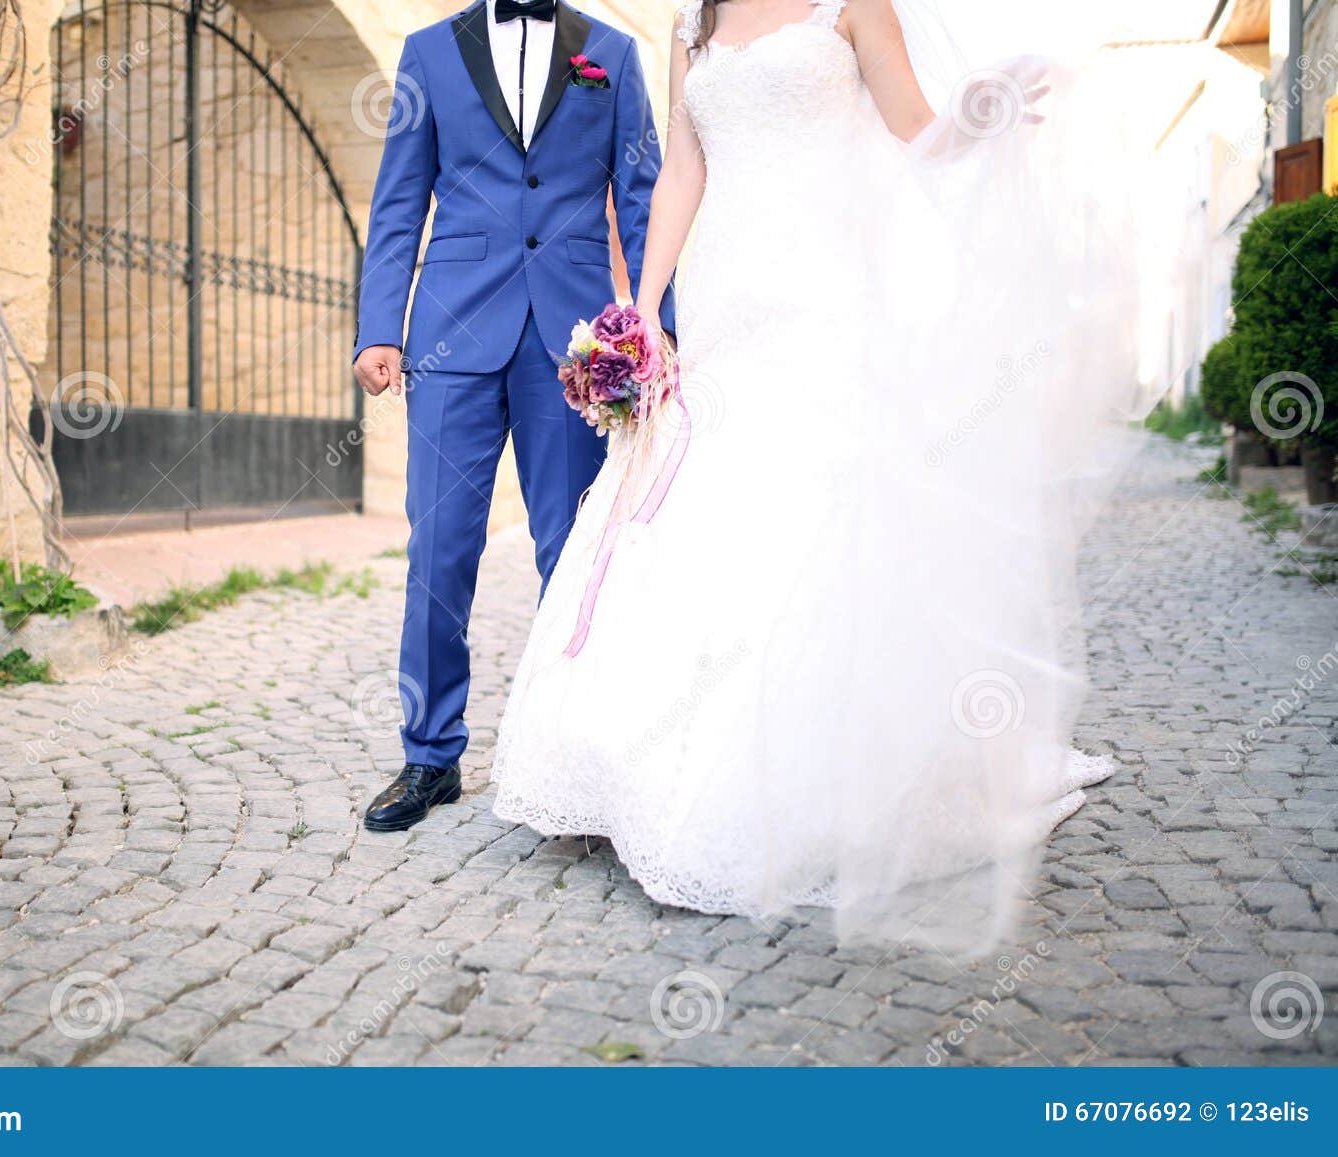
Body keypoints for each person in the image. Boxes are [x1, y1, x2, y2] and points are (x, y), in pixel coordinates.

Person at [491, 0, 1147, 952]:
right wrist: (639, 311)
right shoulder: (692, 25)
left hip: (826, 294)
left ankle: (789, 784)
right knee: (700, 505)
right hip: (722, 301)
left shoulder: (851, 7)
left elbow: (917, 131)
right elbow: (682, 172)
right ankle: (638, 770)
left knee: (812, 498)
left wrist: (984, 114)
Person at [351, 0, 674, 833]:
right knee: (439, 546)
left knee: (570, 550)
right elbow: (397, 203)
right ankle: (430, 755)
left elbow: (641, 196)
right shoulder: (427, 54)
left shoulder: (612, 54)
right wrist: (380, 329)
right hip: (450, 333)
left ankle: (568, 757)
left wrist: (657, 324)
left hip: (571, 344)